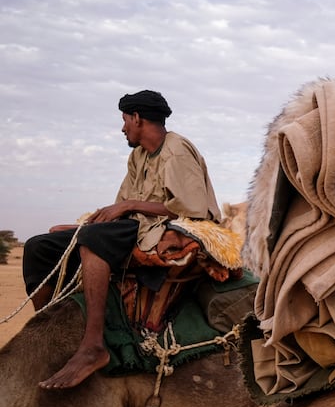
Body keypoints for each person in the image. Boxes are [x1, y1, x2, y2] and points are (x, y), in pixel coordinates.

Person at [22, 90, 221, 389]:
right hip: (134, 225)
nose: (123, 127)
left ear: (138, 118)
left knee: (93, 240)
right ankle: (55, 333)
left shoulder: (177, 150)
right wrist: (79, 226)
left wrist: (130, 206)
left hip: (168, 226)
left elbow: (191, 209)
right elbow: (120, 207)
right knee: (40, 244)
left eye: (125, 119)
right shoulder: (137, 155)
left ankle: (93, 346)